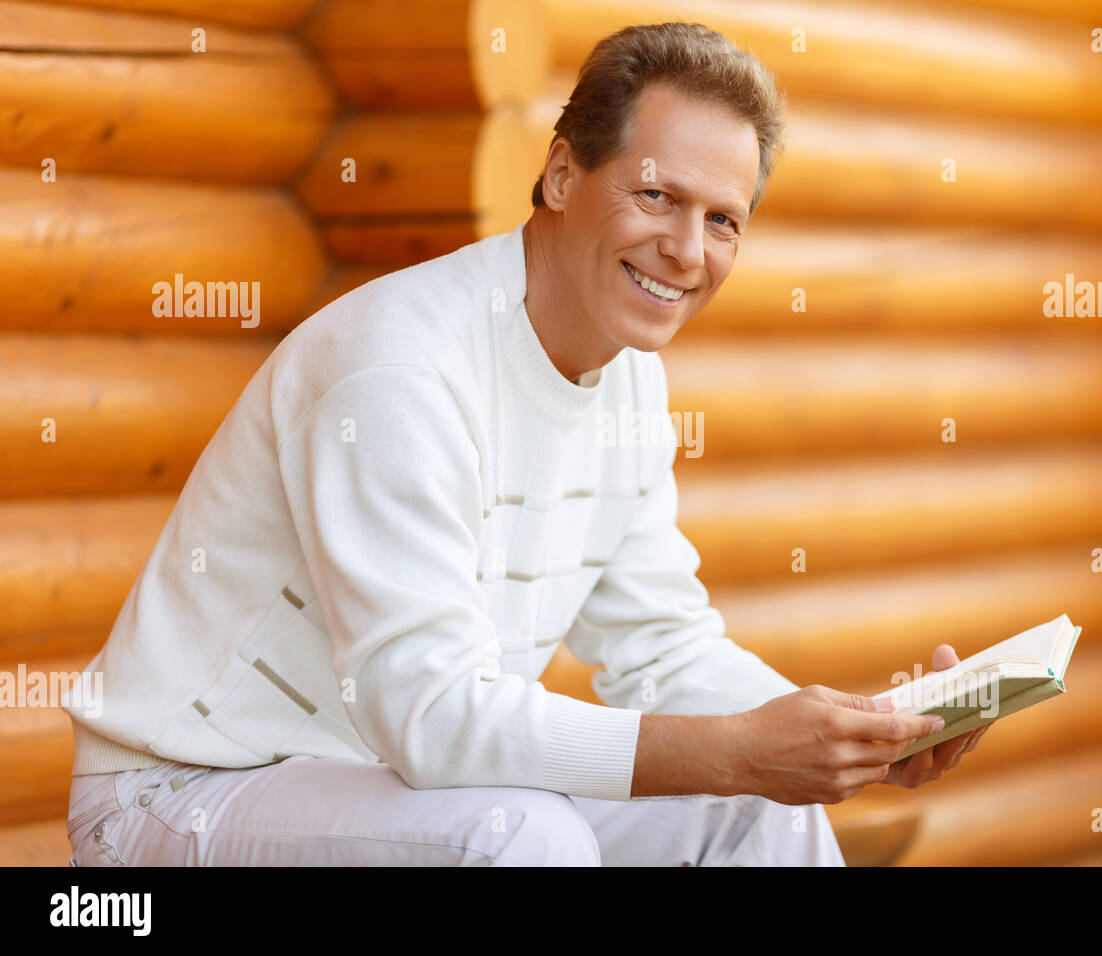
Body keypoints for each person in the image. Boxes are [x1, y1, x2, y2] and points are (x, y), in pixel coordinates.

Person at [62, 21, 988, 868]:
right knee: (523, 839)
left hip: (392, 791)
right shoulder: (400, 369)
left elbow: (661, 650)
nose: (686, 249)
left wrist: (859, 735)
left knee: (759, 811)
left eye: (723, 220)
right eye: (656, 195)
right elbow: (430, 716)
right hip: (180, 797)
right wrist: (739, 748)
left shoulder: (628, 378)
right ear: (559, 176)